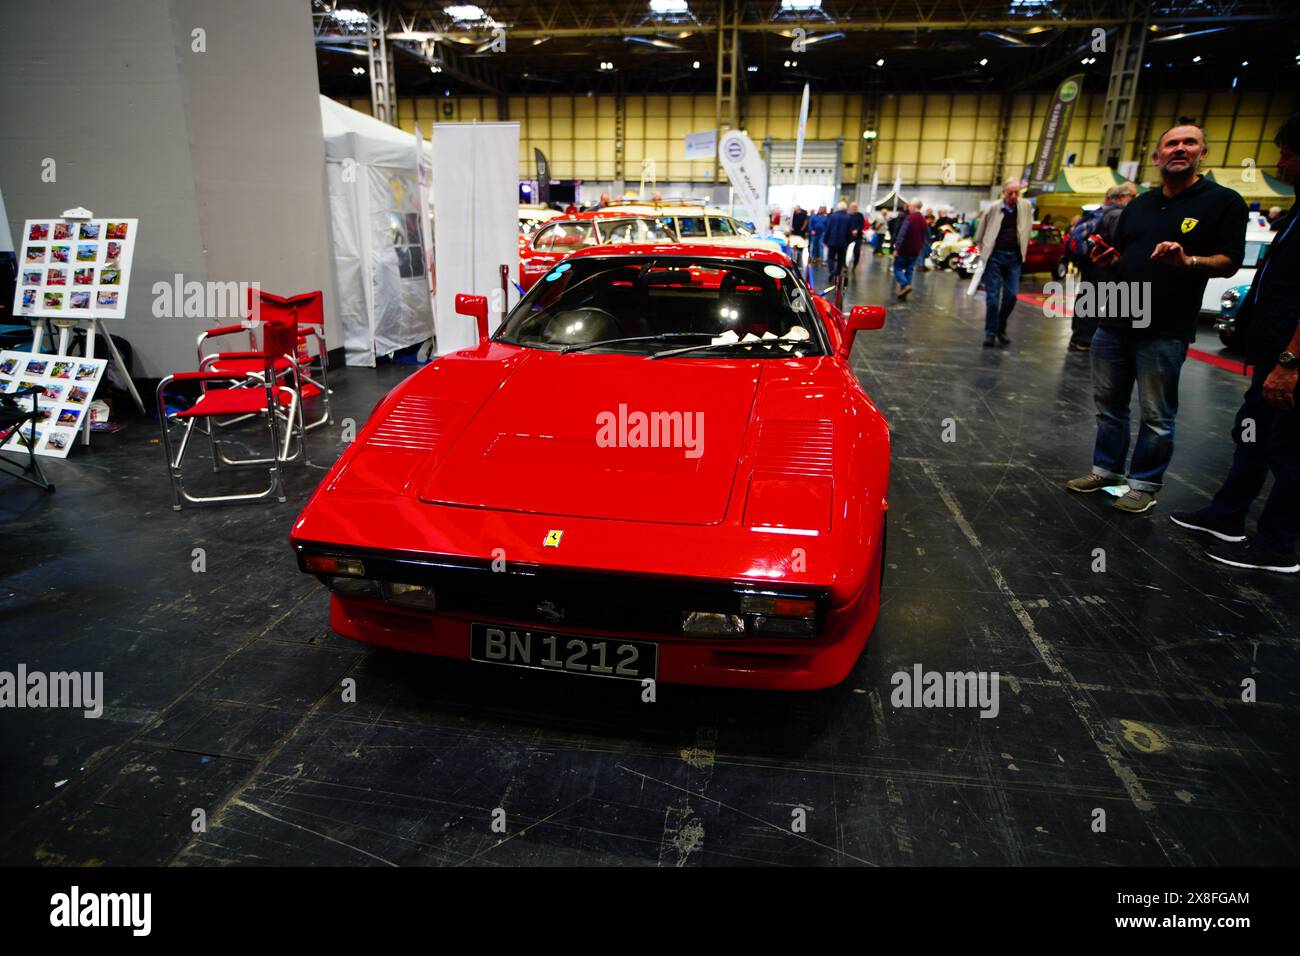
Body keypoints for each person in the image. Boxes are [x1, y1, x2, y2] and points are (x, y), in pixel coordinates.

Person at [1066, 123, 1248, 514]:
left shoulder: (1224, 202)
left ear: (1203, 152)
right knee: (1108, 404)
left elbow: (1230, 262)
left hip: (1165, 326)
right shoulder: (1141, 204)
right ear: (1157, 156)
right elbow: (1128, 254)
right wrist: (1111, 261)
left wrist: (1189, 260)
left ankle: (1144, 482)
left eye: (1189, 142)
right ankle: (1107, 470)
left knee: (1156, 413)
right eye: (1171, 143)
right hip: (1117, 317)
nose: (1179, 148)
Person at [1169, 113, 1300, 571]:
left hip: (1289, 358)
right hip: (1269, 353)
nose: (1280, 165)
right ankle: (1226, 515)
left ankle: (1278, 545)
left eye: (1287, 154)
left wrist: (1290, 360)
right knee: (1253, 433)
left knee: (1288, 450)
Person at [1068, 183, 1137, 352]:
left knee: (1086, 298)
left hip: (1090, 263)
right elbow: (1118, 241)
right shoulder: (1118, 215)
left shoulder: (1101, 212)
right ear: (1122, 197)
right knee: (1095, 302)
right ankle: (1084, 340)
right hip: (1103, 266)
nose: (1135, 201)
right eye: (1132, 197)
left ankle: (1077, 336)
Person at [975, 179, 1032, 348]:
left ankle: (1001, 326)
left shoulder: (1026, 207)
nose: (1014, 196)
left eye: (1017, 193)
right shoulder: (993, 208)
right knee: (992, 298)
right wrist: (983, 249)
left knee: (1012, 295)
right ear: (1004, 193)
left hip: (1014, 257)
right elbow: (980, 231)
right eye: (1010, 193)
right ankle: (991, 332)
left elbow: (1027, 228)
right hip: (995, 256)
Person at [892, 201, 929, 300]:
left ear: (914, 206)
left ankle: (905, 284)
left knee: (897, 268)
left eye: (910, 206)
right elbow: (926, 236)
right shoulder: (923, 220)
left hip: (904, 249)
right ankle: (904, 290)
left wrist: (896, 248)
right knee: (909, 269)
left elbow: (902, 234)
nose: (908, 208)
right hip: (916, 250)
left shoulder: (910, 218)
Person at [824, 201, 853, 282]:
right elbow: (849, 231)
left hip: (832, 241)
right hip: (843, 242)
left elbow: (828, 229)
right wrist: (849, 241)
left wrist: (825, 240)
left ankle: (831, 270)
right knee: (840, 259)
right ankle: (837, 273)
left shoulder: (832, 216)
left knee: (830, 257)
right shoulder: (848, 217)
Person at [847, 201, 866, 274]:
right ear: (850, 208)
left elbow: (861, 225)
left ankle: (855, 265)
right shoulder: (848, 215)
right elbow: (847, 225)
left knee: (857, 252)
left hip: (858, 236)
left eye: (855, 207)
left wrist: (856, 231)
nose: (854, 208)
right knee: (846, 251)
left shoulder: (860, 215)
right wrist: (851, 231)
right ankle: (845, 265)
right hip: (849, 236)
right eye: (852, 207)